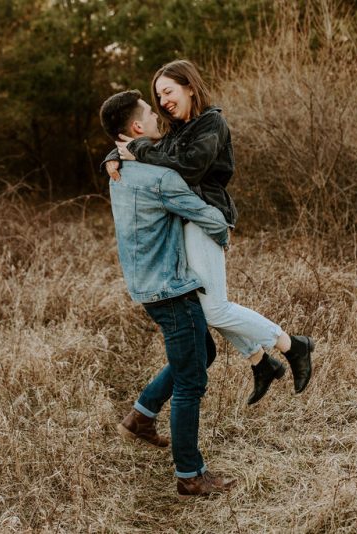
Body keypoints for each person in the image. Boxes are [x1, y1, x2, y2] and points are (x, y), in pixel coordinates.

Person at [104, 59, 314, 405]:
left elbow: (189, 167)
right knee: (203, 309)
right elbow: (142, 140)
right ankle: (260, 362)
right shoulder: (173, 129)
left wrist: (137, 150)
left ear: (189, 86)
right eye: (159, 96)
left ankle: (292, 345)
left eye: (169, 91)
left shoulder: (210, 124)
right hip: (182, 225)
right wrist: (113, 154)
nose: (164, 100)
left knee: (215, 310)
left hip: (205, 219)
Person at [100, 89, 238, 499]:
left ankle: (141, 417)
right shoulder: (160, 177)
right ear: (137, 128)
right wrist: (224, 232)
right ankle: (189, 474)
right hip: (172, 288)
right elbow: (207, 216)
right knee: (192, 380)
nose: (158, 113)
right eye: (149, 111)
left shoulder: (119, 167)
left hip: (146, 284)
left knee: (204, 352)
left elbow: (122, 153)